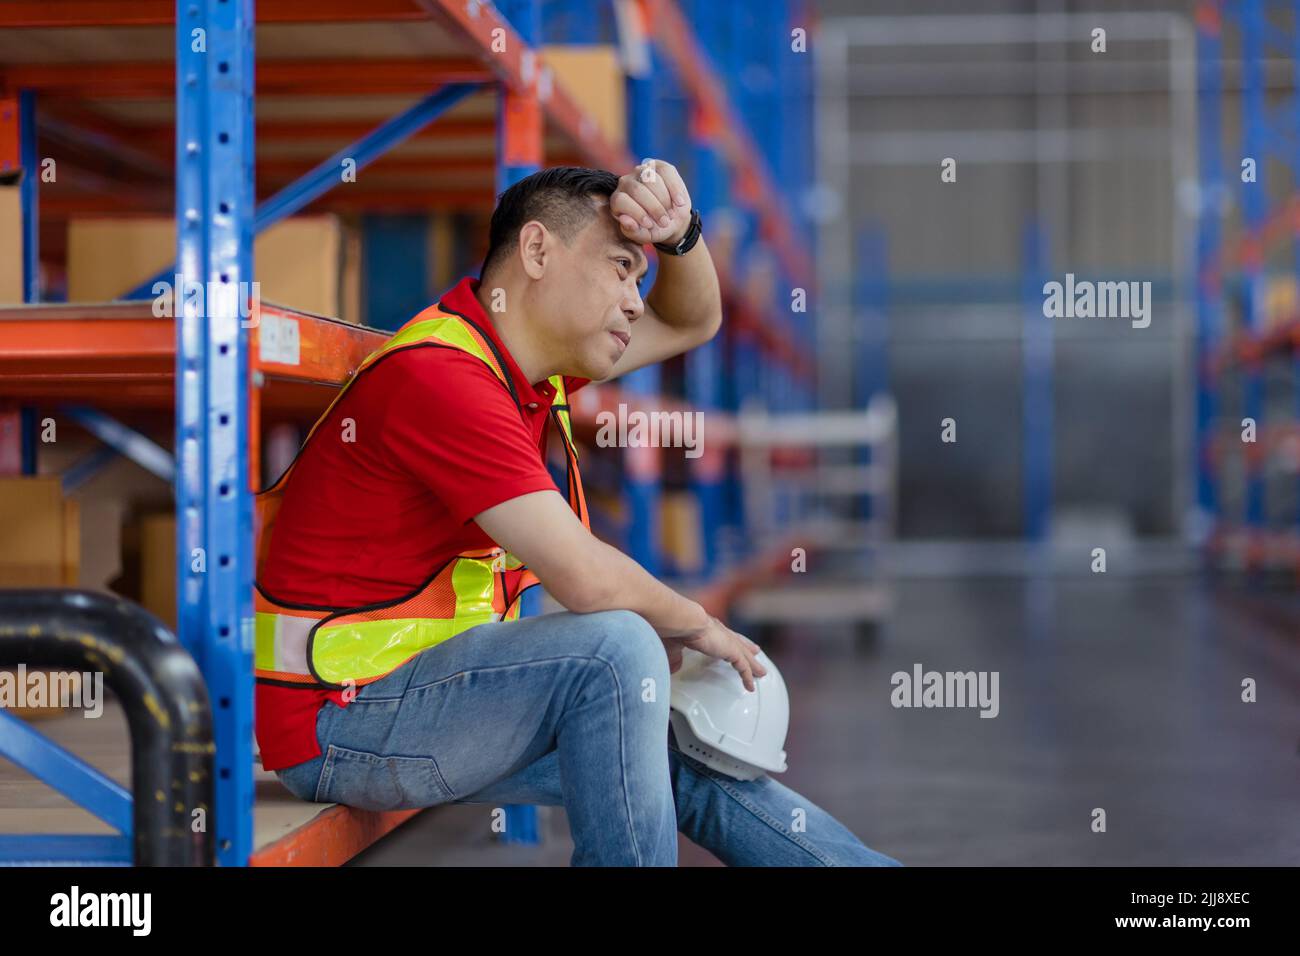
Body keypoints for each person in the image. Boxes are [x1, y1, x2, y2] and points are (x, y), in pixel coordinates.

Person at [257, 162, 900, 867]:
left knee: (675, 755)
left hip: (418, 696)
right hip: (342, 721)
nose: (633, 301)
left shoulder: (525, 376)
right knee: (615, 646)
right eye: (621, 268)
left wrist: (679, 234)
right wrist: (699, 624)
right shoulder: (440, 376)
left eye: (638, 280)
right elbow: (584, 582)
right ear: (536, 252)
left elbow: (695, 320)